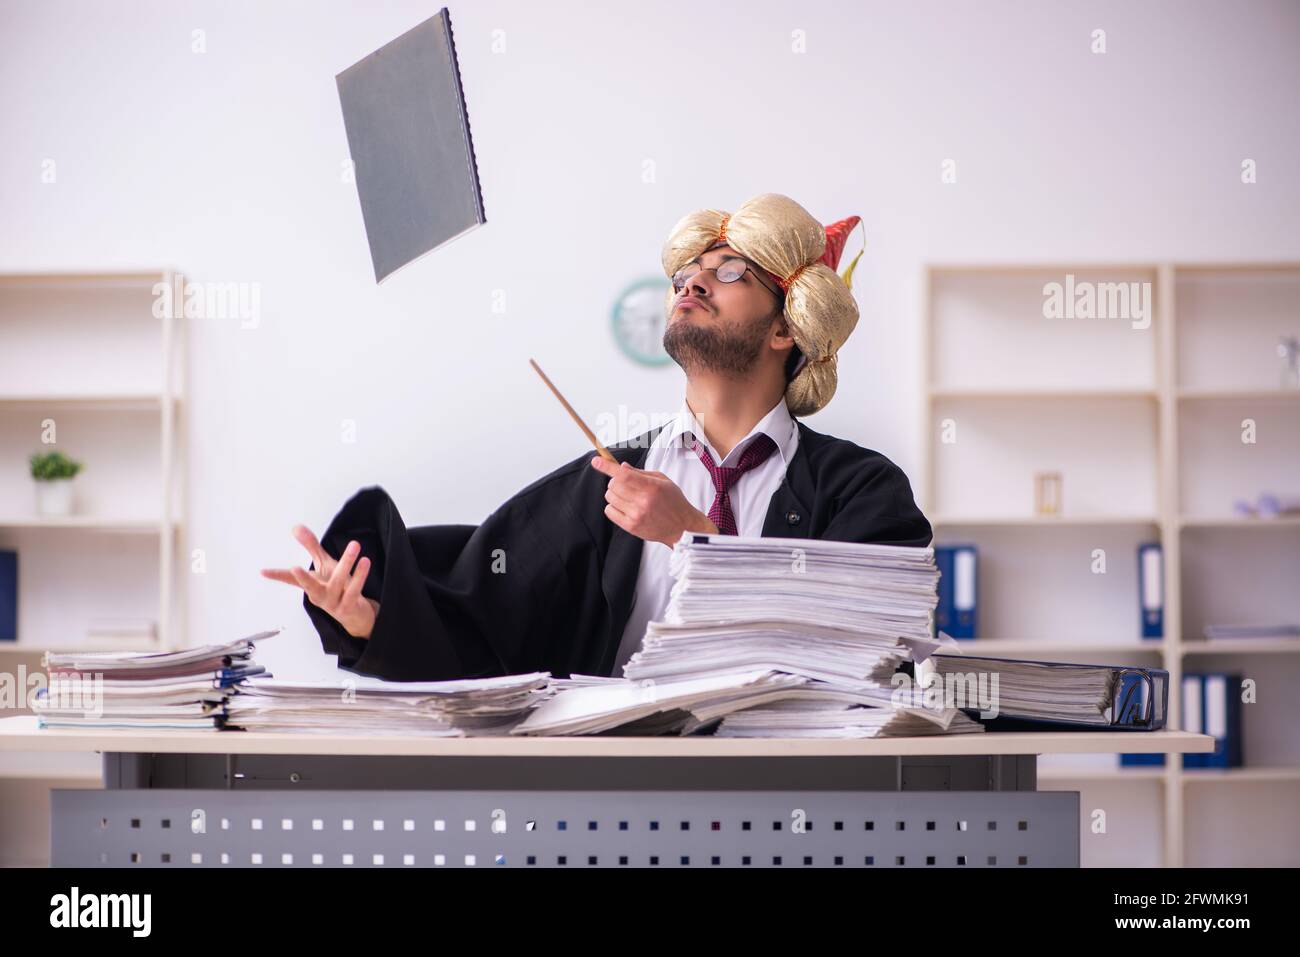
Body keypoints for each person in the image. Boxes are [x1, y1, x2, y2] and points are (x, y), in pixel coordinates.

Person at [261, 192, 932, 680]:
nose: (693, 280)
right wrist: (371, 619)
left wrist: (693, 537)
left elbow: (872, 646)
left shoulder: (862, 489)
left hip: (797, 803)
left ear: (785, 330)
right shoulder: (605, 484)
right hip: (621, 802)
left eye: (731, 272)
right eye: (685, 273)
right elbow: (486, 625)